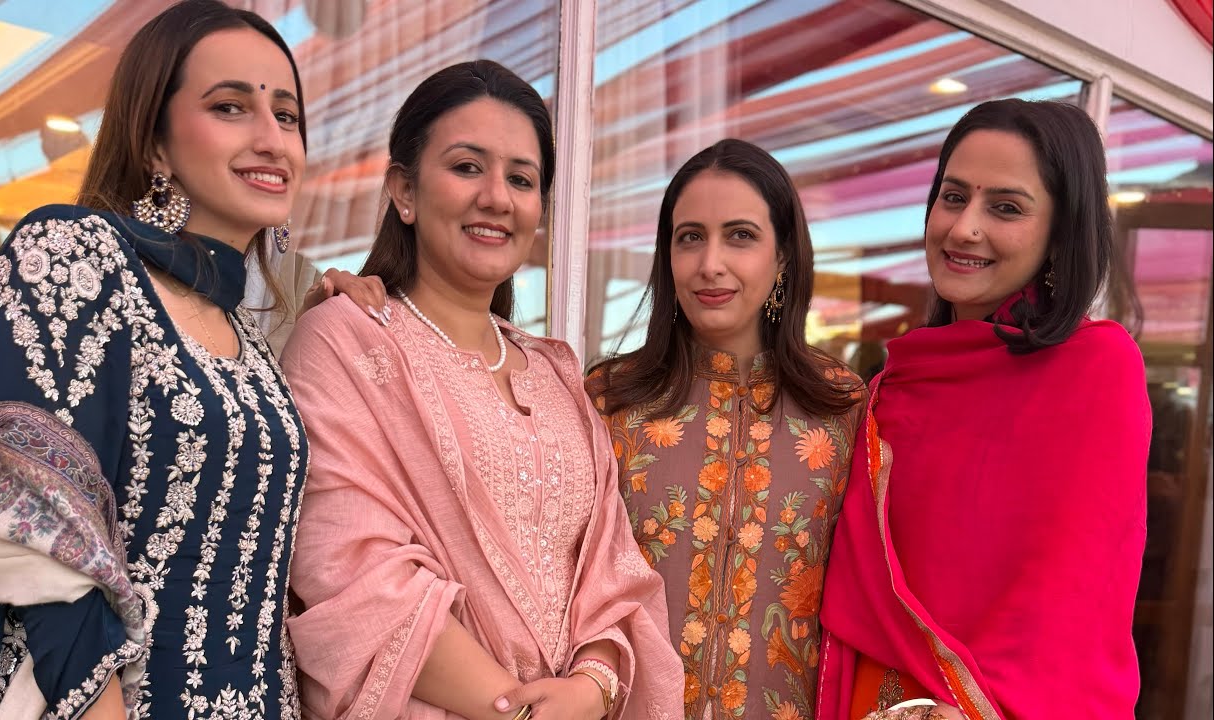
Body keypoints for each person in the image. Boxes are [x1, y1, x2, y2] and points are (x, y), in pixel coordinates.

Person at [0, 1, 311, 717]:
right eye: (231, 106)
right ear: (154, 143)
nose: (272, 138)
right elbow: (43, 537)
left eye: (288, 116)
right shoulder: (73, 256)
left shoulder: (250, 334)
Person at [281, 59, 682, 720]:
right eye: (467, 167)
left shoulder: (556, 374)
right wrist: (518, 712)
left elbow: (611, 570)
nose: (497, 197)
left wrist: (592, 687)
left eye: (521, 179)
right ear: (404, 192)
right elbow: (351, 571)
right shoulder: (345, 342)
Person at [816, 99, 1151, 719]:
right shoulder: (898, 382)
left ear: (1060, 232)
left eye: (1006, 207)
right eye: (953, 197)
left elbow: (1074, 596)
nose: (964, 228)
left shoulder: (1096, 368)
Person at [584, 139, 866, 719]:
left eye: (740, 235)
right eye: (690, 237)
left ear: (782, 256)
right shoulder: (609, 402)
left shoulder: (844, 410)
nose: (710, 263)